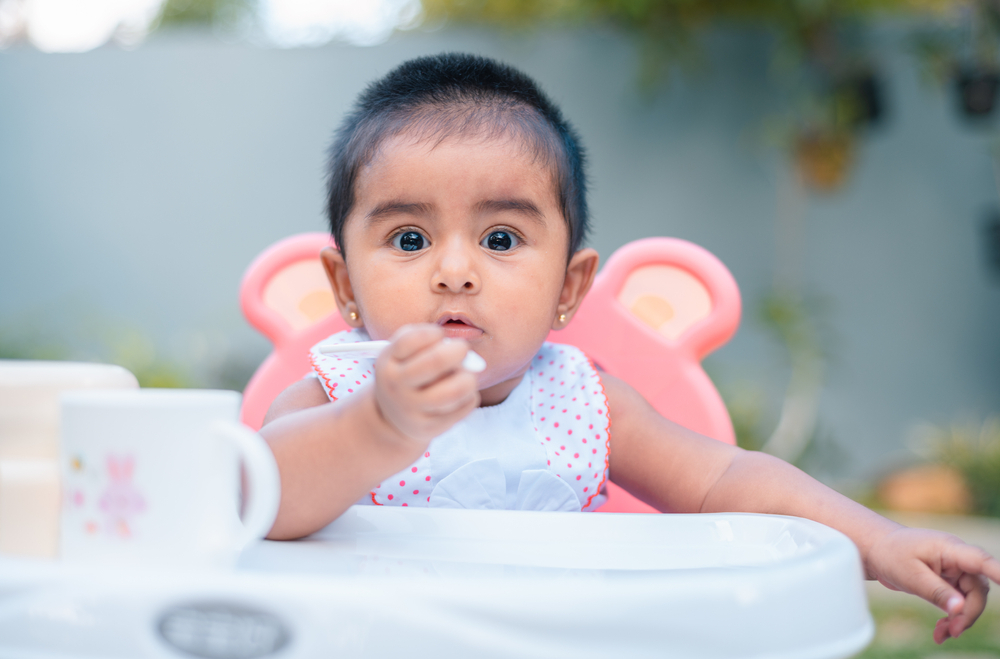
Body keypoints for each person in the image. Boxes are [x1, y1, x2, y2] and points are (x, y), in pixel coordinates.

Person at [259, 52, 999, 644]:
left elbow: (730, 480)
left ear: (569, 289)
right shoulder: (334, 396)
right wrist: (375, 426)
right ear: (344, 281)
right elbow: (258, 501)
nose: (455, 270)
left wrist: (877, 540)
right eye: (410, 239)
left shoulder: (585, 404)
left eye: (502, 238)